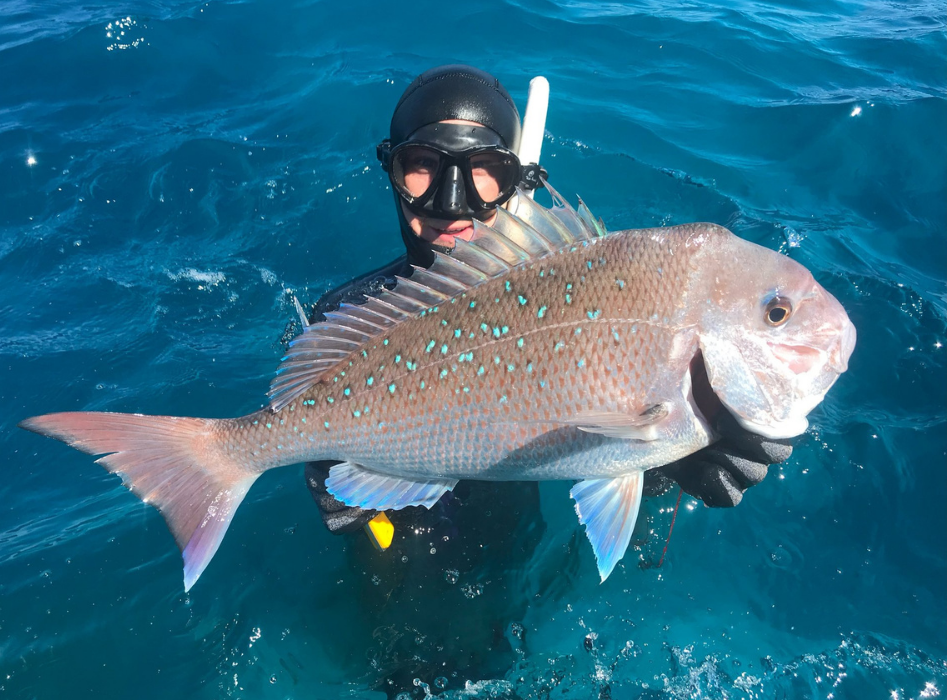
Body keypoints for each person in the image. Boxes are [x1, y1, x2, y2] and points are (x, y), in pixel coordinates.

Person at [295, 65, 792, 694]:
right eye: (422, 165)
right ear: (390, 170)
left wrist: (680, 456)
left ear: (518, 181)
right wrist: (332, 470)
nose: (452, 200)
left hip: (516, 543)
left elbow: (606, 428)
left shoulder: (591, 288)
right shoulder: (345, 318)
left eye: (484, 171)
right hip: (400, 558)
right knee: (399, 660)